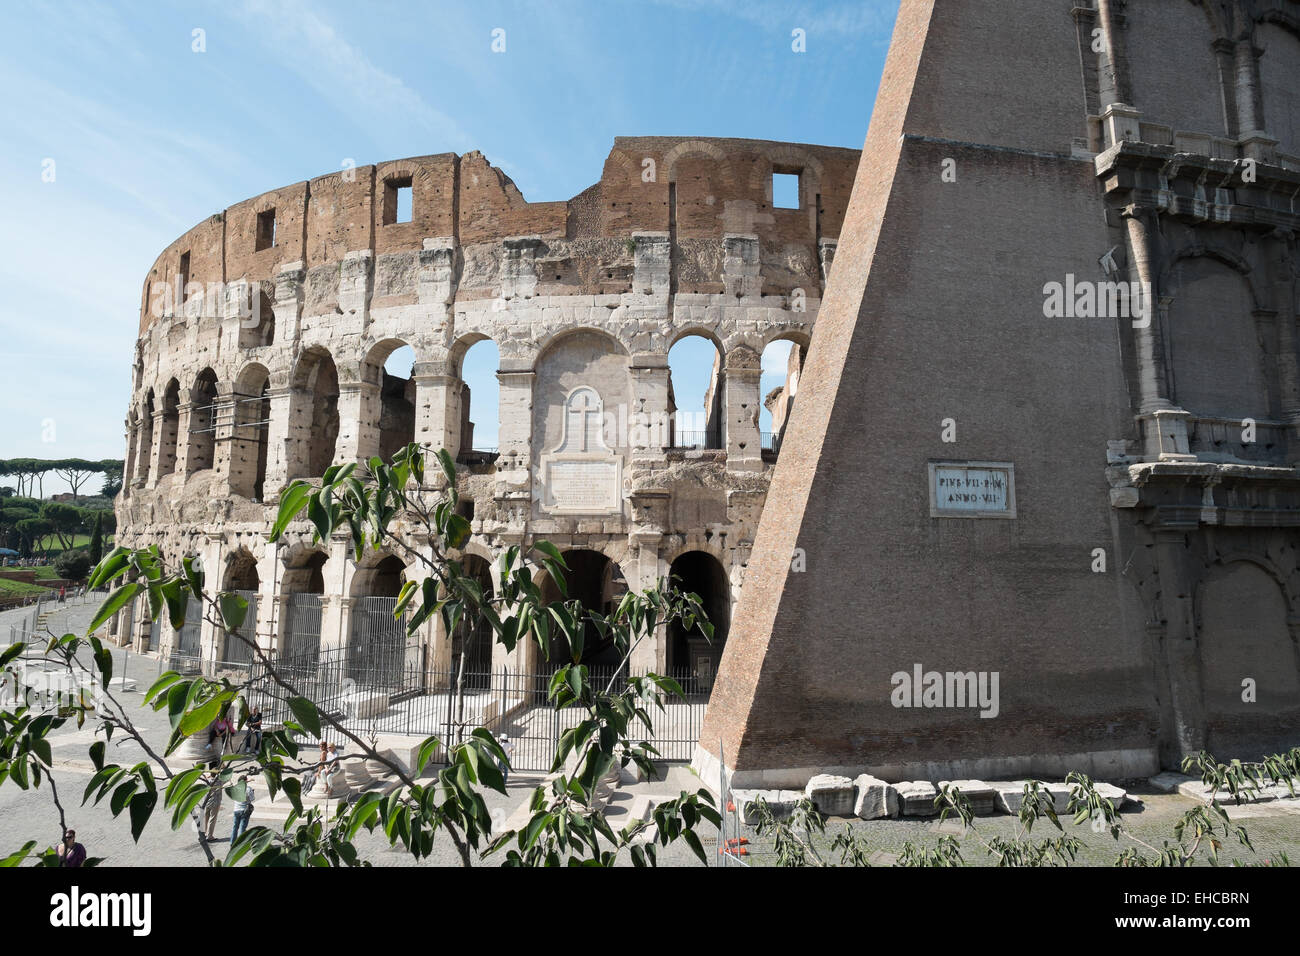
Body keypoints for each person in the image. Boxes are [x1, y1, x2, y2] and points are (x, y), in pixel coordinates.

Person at [230, 775, 254, 843]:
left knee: (235, 827)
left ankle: (232, 842)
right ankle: (240, 843)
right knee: (242, 828)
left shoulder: (235, 788)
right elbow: (252, 799)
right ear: (246, 781)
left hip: (236, 810)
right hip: (245, 810)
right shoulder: (248, 789)